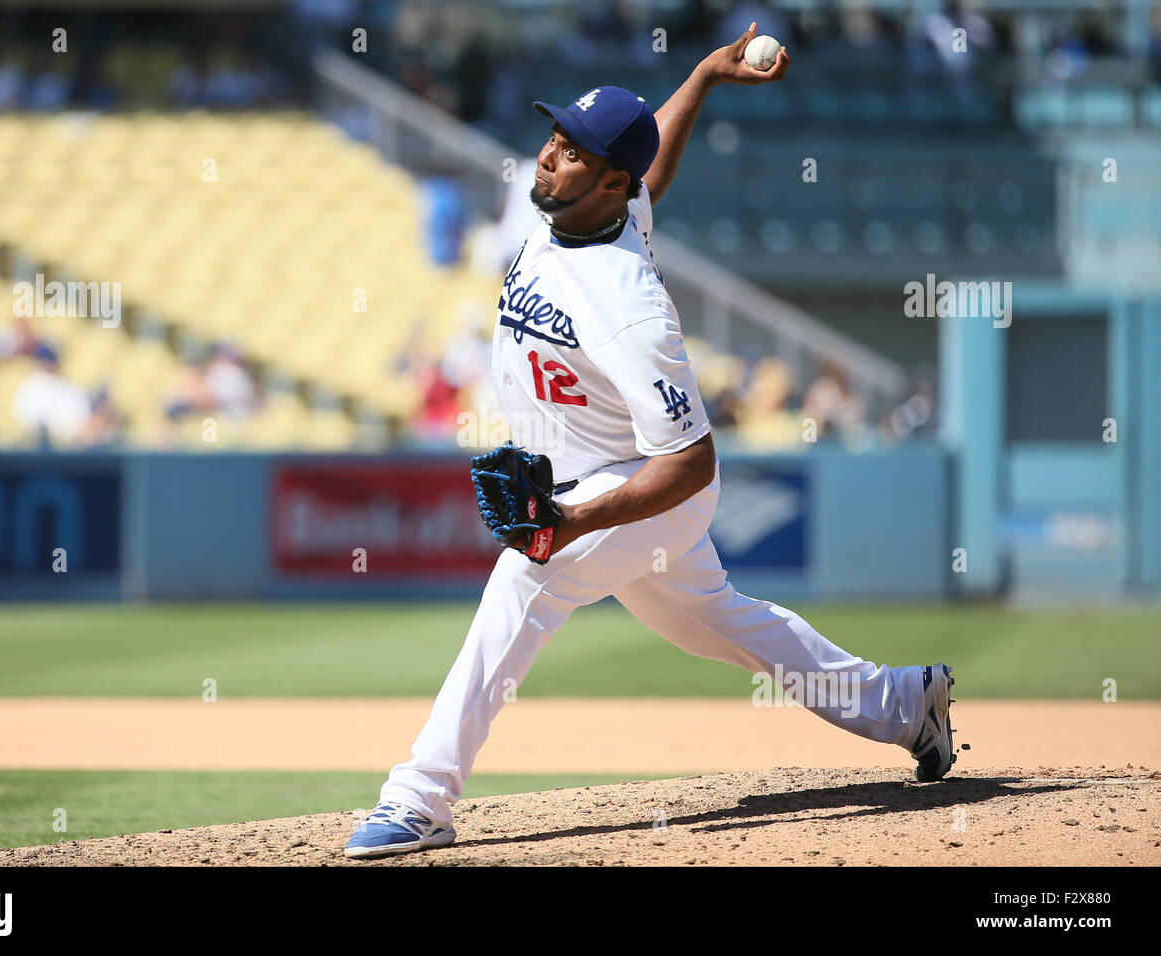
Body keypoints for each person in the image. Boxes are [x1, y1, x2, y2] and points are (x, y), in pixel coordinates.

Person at [345, 24, 956, 859]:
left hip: (641, 481)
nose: (550, 156)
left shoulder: (630, 303)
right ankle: (904, 703)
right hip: (594, 477)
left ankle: (420, 797)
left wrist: (575, 522)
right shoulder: (586, 206)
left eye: (572, 150)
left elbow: (692, 462)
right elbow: (653, 158)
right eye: (554, 138)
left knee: (523, 579)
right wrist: (704, 73)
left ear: (608, 182)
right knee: (725, 627)